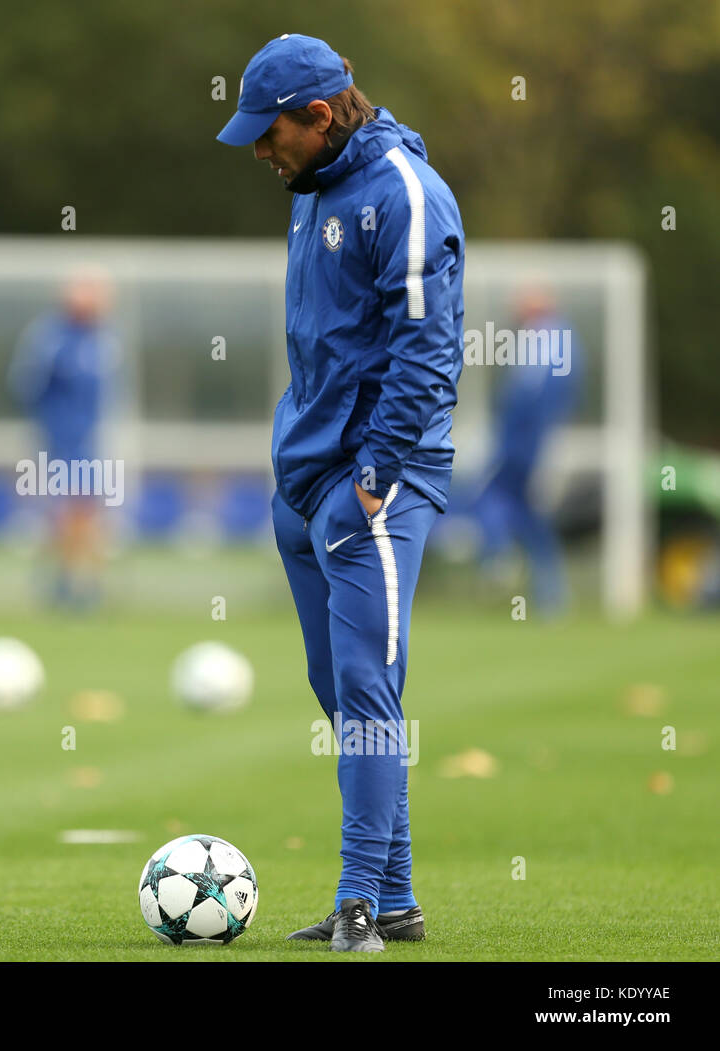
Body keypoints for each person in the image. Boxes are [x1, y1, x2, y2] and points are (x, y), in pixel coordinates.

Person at [217, 34, 465, 951]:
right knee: (339, 688)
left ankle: (358, 897)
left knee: (367, 690)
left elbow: (428, 349)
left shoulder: (403, 190)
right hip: (307, 479)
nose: (259, 149)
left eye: (270, 130)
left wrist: (375, 475)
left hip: (375, 482)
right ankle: (394, 899)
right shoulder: (313, 185)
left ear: (320, 116)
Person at [7, 268, 117, 607]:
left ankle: (84, 585)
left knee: (87, 513)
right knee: (69, 513)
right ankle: (67, 585)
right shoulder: (50, 338)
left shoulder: (102, 339)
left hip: (90, 441)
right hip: (60, 441)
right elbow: (25, 385)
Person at [470, 286, 581, 613]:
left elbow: (533, 397)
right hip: (530, 442)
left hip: (528, 445)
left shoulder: (553, 337)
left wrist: (514, 442)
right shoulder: (549, 337)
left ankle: (499, 555)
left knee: (490, 496)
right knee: (530, 518)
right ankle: (551, 595)